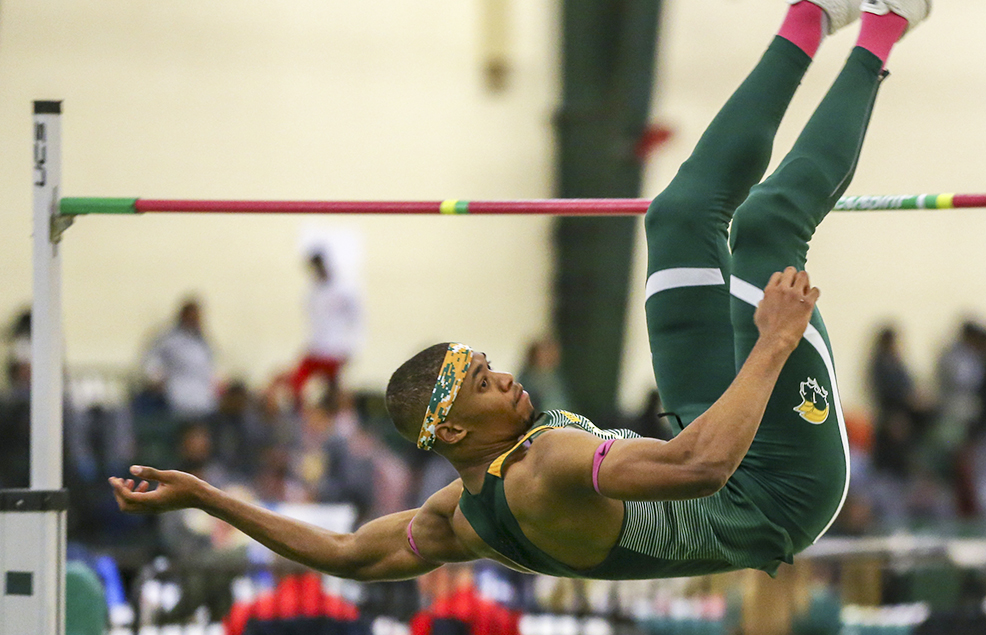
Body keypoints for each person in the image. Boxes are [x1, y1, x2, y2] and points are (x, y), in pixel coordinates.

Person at [111, 0, 930, 581]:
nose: (503, 376)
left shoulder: (460, 515)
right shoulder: (545, 467)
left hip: (711, 430)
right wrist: (778, 336)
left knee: (679, 215)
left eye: (486, 363)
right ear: (454, 426)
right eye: (481, 384)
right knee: (767, 229)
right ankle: (890, 21)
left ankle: (810, 17)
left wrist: (209, 498)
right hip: (777, 487)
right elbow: (702, 464)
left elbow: (351, 552)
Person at [290, 252, 363, 407]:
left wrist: (351, 347)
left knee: (334, 392)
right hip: (316, 348)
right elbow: (312, 322)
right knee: (297, 383)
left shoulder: (344, 290)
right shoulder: (312, 293)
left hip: (336, 350)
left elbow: (356, 320)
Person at [141, 298, 218, 419]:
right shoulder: (168, 339)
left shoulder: (202, 342)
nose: (195, 320)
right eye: (191, 316)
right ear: (183, 316)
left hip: (203, 399)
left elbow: (208, 367)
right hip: (178, 396)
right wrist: (155, 379)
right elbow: (150, 360)